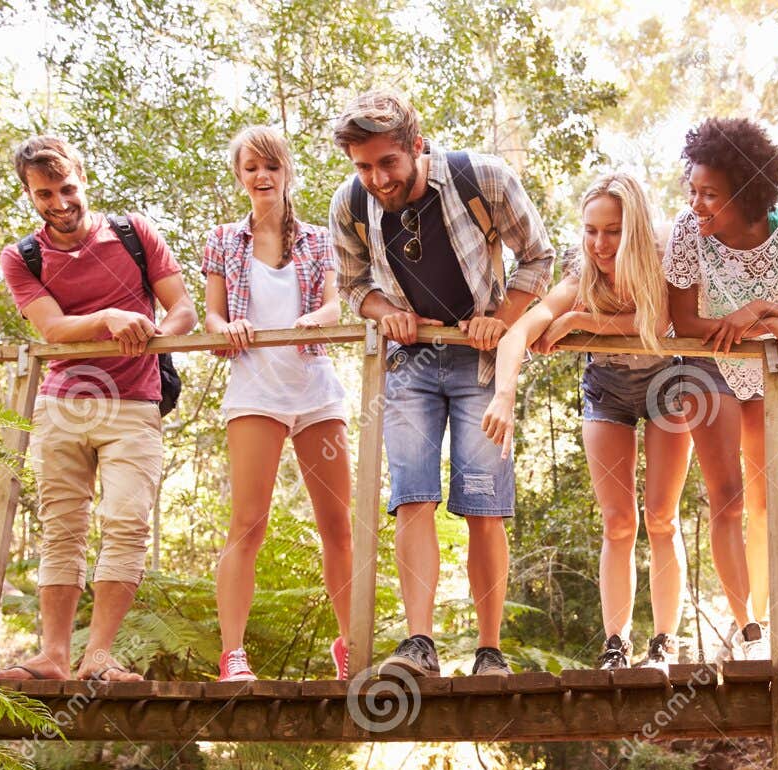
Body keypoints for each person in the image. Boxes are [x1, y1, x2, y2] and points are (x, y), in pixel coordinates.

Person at [329, 90, 555, 678]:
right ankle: (419, 645)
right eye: (364, 166)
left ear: (417, 146)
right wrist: (386, 312)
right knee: (413, 498)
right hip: (410, 366)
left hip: (480, 363)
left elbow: (538, 257)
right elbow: (354, 283)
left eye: (388, 163)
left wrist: (502, 321)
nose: (377, 178)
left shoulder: (484, 178)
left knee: (484, 503)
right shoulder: (349, 203)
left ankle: (489, 651)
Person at [0, 135, 196, 683]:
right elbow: (53, 328)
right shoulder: (22, 257)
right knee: (62, 527)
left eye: (67, 188)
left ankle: (99, 657)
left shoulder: (134, 235)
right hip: (64, 405)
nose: (59, 203)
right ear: (29, 195)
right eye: (44, 194)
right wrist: (109, 316)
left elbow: (183, 310)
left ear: (82, 179)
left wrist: (154, 335)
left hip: (135, 403)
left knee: (127, 522)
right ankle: (53, 656)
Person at [490, 172, 698, 674]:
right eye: (591, 230)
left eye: (613, 231)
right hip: (607, 391)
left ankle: (664, 643)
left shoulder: (665, 253)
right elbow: (520, 331)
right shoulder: (579, 272)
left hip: (669, 385)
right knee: (619, 522)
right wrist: (503, 394)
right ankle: (615, 644)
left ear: (636, 228)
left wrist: (582, 322)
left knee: (661, 517)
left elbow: (658, 325)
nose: (601, 244)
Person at [664, 117, 778, 660]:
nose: (697, 203)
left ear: (745, 194)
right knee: (727, 499)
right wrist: (765, 326)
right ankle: (746, 630)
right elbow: (684, 322)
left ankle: (768, 619)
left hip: (765, 370)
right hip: (707, 365)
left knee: (768, 501)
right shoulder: (685, 231)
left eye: (710, 194)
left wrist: (764, 310)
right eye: (692, 190)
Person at [203, 125, 352, 682]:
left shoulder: (318, 240)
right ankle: (234, 654)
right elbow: (214, 315)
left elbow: (336, 306)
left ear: (287, 171)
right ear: (240, 176)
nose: (262, 176)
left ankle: (350, 645)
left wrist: (314, 318)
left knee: (338, 524)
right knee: (248, 523)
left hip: (316, 391)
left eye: (271, 166)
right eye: (250, 168)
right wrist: (229, 325)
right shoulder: (223, 240)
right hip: (255, 392)